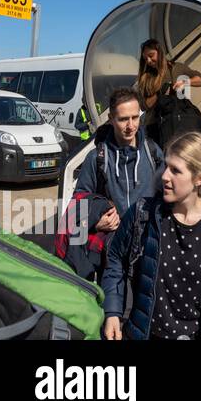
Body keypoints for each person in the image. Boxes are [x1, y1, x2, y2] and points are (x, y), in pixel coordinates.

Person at [101, 132, 201, 340]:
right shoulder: (143, 214)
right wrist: (112, 312)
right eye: (165, 166)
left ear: (200, 178)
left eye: (175, 171)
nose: (164, 176)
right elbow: (115, 258)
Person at [65, 89, 165, 274]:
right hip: (112, 252)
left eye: (135, 117)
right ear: (111, 118)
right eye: (123, 119)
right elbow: (76, 206)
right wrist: (95, 223)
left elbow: (169, 196)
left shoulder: (153, 153)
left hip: (149, 248)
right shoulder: (97, 158)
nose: (131, 126)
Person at [137, 38, 201, 146]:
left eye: (151, 56)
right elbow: (143, 105)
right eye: (145, 58)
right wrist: (160, 94)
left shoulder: (176, 68)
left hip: (178, 121)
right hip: (155, 126)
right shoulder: (146, 77)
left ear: (160, 52)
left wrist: (186, 82)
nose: (149, 61)